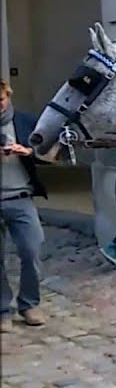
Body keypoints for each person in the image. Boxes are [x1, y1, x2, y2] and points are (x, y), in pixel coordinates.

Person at [0, 80, 48, 332]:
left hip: (21, 197)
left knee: (32, 249)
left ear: (8, 96)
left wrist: (28, 152)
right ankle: (2, 310)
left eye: (0, 101)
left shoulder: (26, 121)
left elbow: (52, 154)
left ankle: (29, 303)